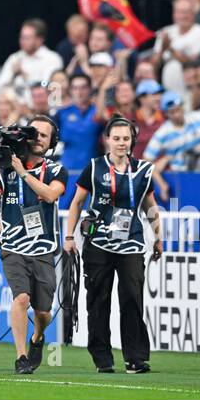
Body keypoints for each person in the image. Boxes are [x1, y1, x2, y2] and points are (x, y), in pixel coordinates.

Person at [65, 116, 162, 373]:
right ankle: (102, 359)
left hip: (131, 243)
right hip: (98, 243)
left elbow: (150, 206)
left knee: (132, 299)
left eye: (126, 139)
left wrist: (158, 237)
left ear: (133, 141)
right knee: (98, 302)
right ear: (107, 140)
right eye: (116, 138)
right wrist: (69, 236)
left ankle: (135, 358)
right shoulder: (95, 167)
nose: (121, 143)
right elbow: (76, 203)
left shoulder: (142, 170)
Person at [0, 114, 66, 374]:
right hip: (13, 247)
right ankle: (21, 357)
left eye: (44, 135)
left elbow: (50, 195)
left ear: (51, 142)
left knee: (43, 312)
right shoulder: (8, 169)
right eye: (34, 133)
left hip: (43, 249)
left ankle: (37, 337)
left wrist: (23, 173)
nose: (37, 139)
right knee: (21, 299)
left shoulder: (55, 169)